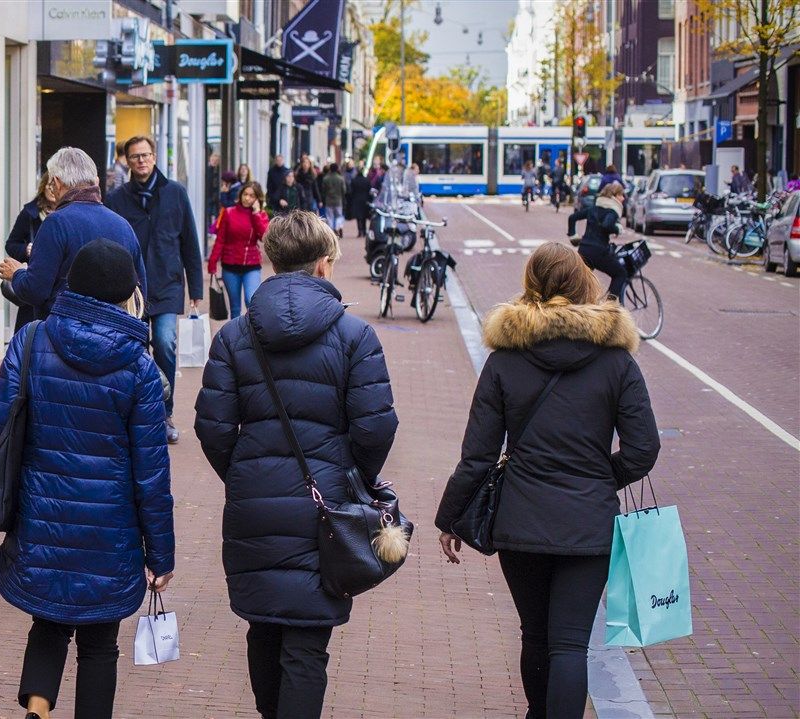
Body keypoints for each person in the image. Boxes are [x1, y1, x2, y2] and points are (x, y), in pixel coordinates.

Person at [435, 242, 659, 719]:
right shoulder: (617, 361)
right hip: (588, 523)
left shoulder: (504, 360)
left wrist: (451, 517)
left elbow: (477, 455)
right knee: (571, 644)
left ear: (530, 285)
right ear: (584, 283)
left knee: (535, 634)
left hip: (521, 520)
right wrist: (601, 478)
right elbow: (644, 450)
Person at [195, 211, 398, 719]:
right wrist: (356, 480)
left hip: (254, 506)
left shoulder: (235, 336)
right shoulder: (355, 336)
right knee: (308, 642)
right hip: (325, 507)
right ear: (324, 265)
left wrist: (245, 473)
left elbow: (213, 427)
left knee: (263, 623)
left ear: (269, 259)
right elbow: (375, 428)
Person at [0, 239, 176, 719]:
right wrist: (161, 553)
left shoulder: (33, 338)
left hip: (43, 512)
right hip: (111, 529)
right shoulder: (140, 368)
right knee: (99, 645)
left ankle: (36, 708)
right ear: (126, 293)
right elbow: (151, 471)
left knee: (48, 624)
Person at [106, 135, 204, 445]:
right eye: (135, 156)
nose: (141, 161)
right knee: (133, 350)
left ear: (155, 157)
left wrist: (196, 288)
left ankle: (165, 412)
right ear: (127, 161)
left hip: (167, 284)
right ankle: (136, 413)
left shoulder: (175, 193)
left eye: (146, 155)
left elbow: (190, 241)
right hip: (129, 288)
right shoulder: (116, 199)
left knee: (164, 343)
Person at [0, 147, 147, 320]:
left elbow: (35, 291)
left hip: (63, 336)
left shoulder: (56, 224)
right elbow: (140, 295)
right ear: (96, 181)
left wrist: (17, 273)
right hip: (113, 337)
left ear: (56, 182)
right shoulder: (123, 226)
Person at [2, 173, 58, 330]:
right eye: (49, 185)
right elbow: (11, 244)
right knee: (28, 333)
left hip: (55, 286)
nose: (52, 190)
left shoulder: (67, 215)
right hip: (33, 278)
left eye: (54, 186)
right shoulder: (30, 213)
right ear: (43, 187)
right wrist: (26, 250)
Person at [208, 182, 269, 319]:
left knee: (251, 301)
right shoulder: (229, 213)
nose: (247, 198)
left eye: (252, 196)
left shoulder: (260, 215)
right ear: (240, 195)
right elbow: (220, 240)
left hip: (251, 265)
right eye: (245, 194)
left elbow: (264, 237)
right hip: (230, 266)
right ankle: (236, 339)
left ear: (257, 199)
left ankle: (253, 334)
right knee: (235, 308)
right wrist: (212, 262)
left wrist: (256, 214)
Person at [569, 181, 627, 300]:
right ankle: (610, 309)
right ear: (614, 196)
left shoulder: (593, 208)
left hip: (584, 249)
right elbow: (607, 225)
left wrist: (573, 236)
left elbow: (572, 218)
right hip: (598, 251)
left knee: (580, 283)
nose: (623, 198)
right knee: (620, 274)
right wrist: (617, 229)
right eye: (621, 195)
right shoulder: (612, 211)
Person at [320, 163, 347, 236]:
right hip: (338, 201)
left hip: (329, 201)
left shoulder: (325, 179)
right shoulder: (340, 178)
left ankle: (331, 230)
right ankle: (337, 227)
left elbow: (323, 191)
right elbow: (344, 190)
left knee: (329, 217)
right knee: (339, 216)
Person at [347, 167, 372, 239]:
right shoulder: (367, 180)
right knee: (364, 216)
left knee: (358, 217)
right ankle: (364, 231)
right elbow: (369, 190)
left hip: (356, 200)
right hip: (365, 200)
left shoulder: (354, 180)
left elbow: (351, 191)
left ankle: (359, 231)